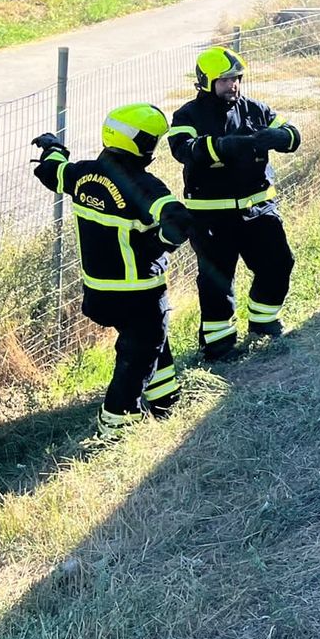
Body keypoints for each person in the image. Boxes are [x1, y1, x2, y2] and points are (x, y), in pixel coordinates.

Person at [31, 105, 197, 440]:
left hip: (98, 293)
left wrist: (52, 148)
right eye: (151, 141)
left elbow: (52, 171)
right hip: (139, 293)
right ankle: (116, 428)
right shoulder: (143, 186)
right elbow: (180, 222)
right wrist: (156, 245)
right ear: (138, 143)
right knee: (138, 358)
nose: (153, 148)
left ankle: (165, 401)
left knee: (151, 346)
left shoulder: (82, 174)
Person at [167, 46, 301, 361]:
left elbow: (292, 134)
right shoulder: (188, 115)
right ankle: (219, 346)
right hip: (212, 218)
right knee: (217, 283)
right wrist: (223, 147)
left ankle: (264, 322)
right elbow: (182, 149)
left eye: (236, 78)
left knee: (279, 264)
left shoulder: (255, 109)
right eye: (225, 80)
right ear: (206, 82)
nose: (233, 85)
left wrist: (282, 138)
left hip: (259, 211)